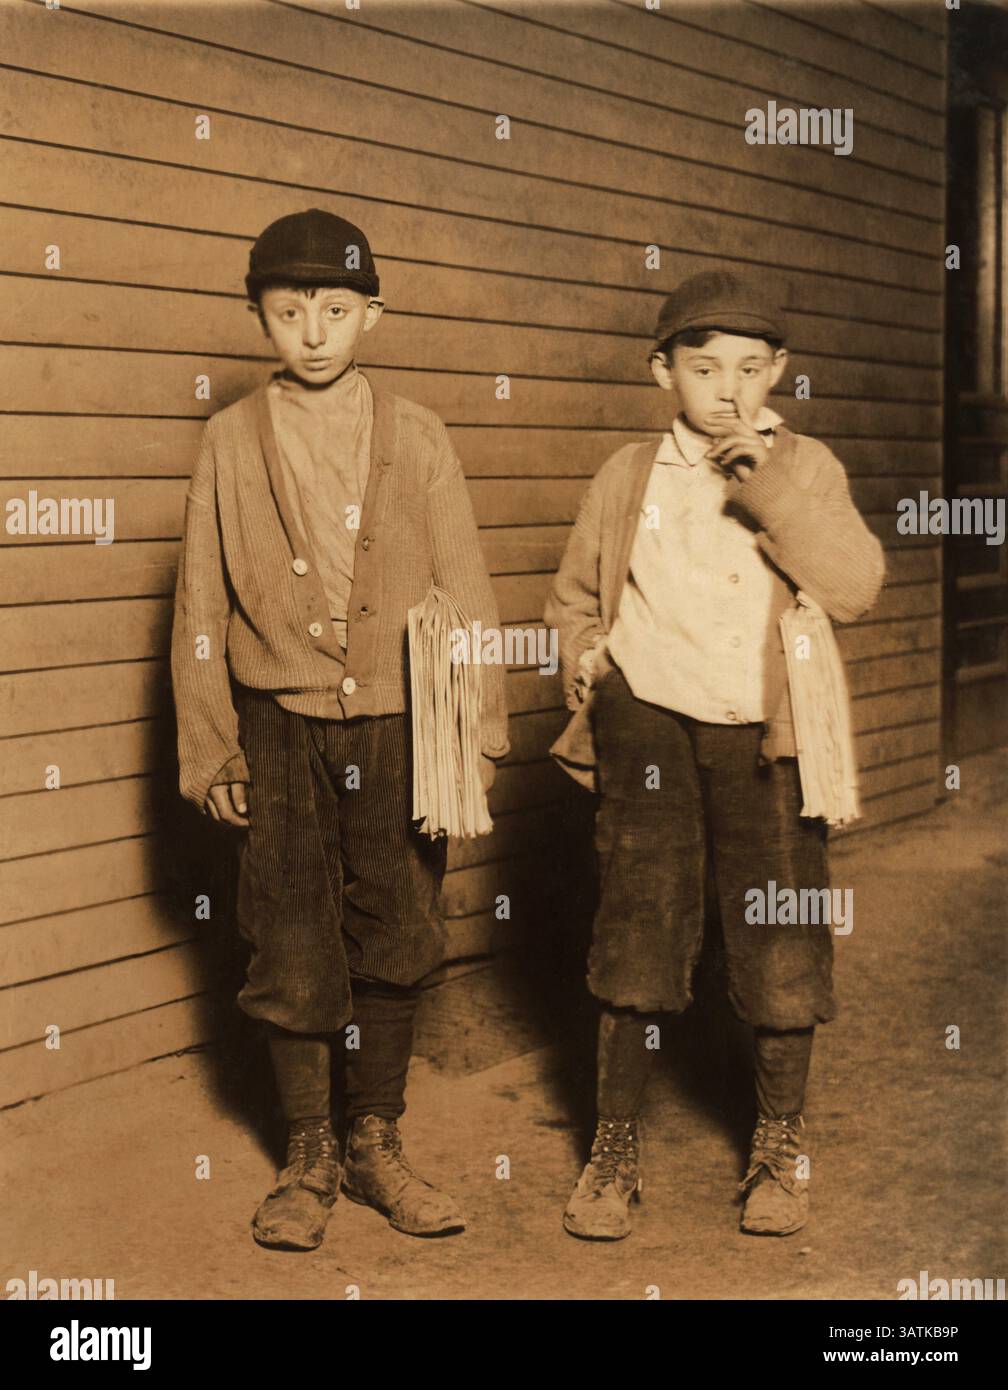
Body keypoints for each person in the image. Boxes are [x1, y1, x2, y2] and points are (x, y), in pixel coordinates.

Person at [171, 207, 509, 1249]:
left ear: (373, 313)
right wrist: (210, 743)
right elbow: (197, 610)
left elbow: (467, 585)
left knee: (400, 927)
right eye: (287, 311)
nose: (312, 331)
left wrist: (477, 736)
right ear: (259, 319)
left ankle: (376, 1143)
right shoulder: (230, 440)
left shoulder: (419, 435)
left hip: (403, 726)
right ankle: (308, 1152)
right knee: (287, 934)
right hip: (276, 728)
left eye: (334, 309)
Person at [544, 270, 884, 1239]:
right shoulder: (626, 475)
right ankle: (612, 1147)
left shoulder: (804, 466)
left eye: (750, 367)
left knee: (780, 928)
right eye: (704, 368)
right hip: (647, 716)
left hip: (764, 728)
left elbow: (857, 582)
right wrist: (589, 659)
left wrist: (766, 482)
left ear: (778, 370)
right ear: (663, 372)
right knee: (638, 924)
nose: (730, 390)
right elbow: (572, 597)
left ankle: (777, 1146)